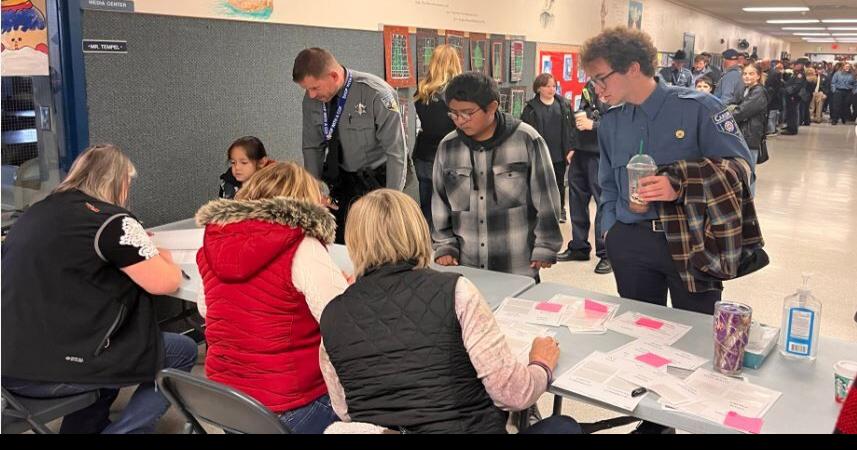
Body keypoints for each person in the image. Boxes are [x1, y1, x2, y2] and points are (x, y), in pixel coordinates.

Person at [318, 189, 581, 434]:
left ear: (354, 242)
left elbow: (345, 411)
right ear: (417, 231)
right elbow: (512, 394)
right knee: (563, 427)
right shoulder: (455, 291)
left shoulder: (332, 316)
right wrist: (541, 364)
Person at [1, 144, 198, 434]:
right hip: (53, 370)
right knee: (181, 350)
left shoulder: (37, 211)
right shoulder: (113, 221)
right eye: (127, 183)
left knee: (111, 342)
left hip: (10, 363)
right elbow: (165, 282)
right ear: (118, 182)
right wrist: (161, 255)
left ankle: (84, 428)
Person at [196, 162, 347, 433]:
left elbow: (206, 308)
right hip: (290, 406)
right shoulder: (302, 247)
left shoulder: (213, 244)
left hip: (229, 404)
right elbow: (342, 323)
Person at [431, 72, 563, 280]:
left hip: (517, 266)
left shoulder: (527, 139)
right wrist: (445, 246)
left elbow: (546, 197)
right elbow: (440, 201)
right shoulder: (448, 146)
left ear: (492, 107)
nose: (460, 121)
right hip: (466, 268)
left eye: (467, 113)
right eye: (454, 114)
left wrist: (545, 245)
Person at [294, 47, 414, 243]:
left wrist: (391, 200)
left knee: (375, 242)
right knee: (339, 240)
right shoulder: (311, 101)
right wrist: (313, 191)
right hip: (341, 180)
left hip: (377, 181)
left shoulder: (376, 93)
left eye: (315, 88)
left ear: (334, 76)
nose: (311, 95)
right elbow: (312, 147)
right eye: (307, 89)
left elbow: (396, 151)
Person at [557, 79, 612, 274]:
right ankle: (579, 247)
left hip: (600, 154)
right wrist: (573, 145)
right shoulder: (590, 85)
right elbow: (582, 113)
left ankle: (606, 254)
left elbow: (620, 122)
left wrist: (594, 125)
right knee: (576, 201)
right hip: (581, 151)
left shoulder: (616, 84)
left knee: (602, 204)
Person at [413, 45, 462, 229]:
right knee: (452, 210)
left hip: (424, 155)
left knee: (427, 209)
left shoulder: (421, 91)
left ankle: (426, 243)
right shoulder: (458, 95)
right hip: (452, 156)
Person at [521, 73, 576, 224]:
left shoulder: (564, 105)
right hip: (539, 153)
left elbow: (572, 127)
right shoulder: (530, 109)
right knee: (538, 183)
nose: (552, 89)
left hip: (559, 152)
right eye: (547, 86)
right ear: (539, 88)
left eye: (554, 86)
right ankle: (539, 211)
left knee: (559, 183)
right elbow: (524, 132)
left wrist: (571, 148)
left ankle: (560, 209)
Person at [731, 64, 769, 167]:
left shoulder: (758, 92)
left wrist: (724, 117)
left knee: (747, 169)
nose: (747, 76)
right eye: (745, 74)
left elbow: (742, 111)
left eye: (751, 74)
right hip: (744, 134)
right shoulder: (747, 89)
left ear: (758, 76)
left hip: (750, 136)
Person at [781, 59, 808, 135]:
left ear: (800, 66)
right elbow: (790, 83)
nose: (793, 66)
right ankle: (789, 126)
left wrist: (787, 91)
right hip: (790, 95)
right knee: (789, 112)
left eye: (796, 65)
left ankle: (792, 129)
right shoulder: (795, 74)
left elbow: (797, 86)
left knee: (793, 113)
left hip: (794, 96)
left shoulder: (800, 75)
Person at [765, 62, 784, 136]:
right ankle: (772, 129)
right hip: (775, 98)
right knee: (773, 115)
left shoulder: (774, 74)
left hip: (774, 98)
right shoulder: (775, 74)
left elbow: (775, 87)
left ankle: (771, 130)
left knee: (772, 116)